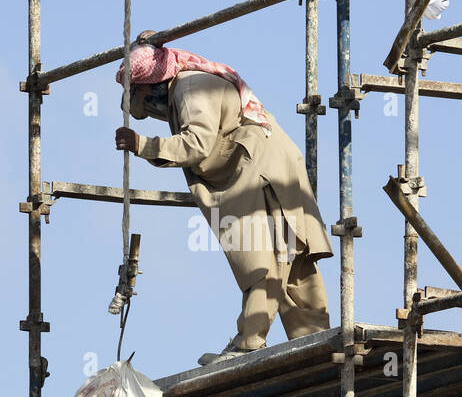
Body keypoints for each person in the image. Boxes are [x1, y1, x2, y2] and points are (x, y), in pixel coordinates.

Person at [114, 38, 333, 366]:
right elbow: (155, 110)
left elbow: (196, 144)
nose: (143, 103)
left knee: (262, 260)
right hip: (275, 165)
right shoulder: (186, 84)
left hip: (258, 172)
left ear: (154, 85)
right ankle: (319, 348)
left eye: (141, 93)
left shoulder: (190, 90)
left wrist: (143, 145)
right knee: (290, 260)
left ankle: (249, 343)